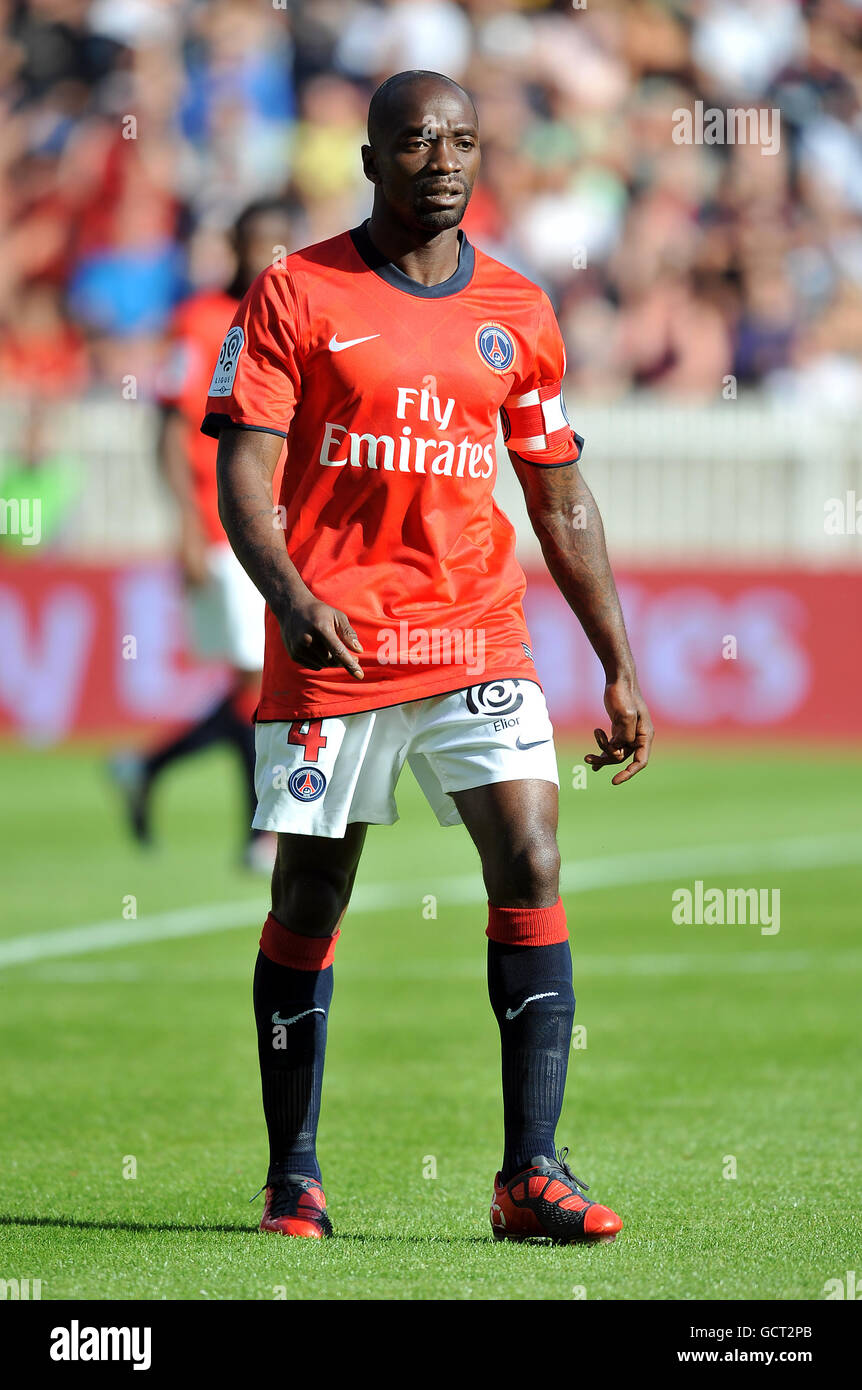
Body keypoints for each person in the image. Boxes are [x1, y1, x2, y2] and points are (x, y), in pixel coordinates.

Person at [202, 71, 654, 1242]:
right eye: (415, 141)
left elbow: (558, 501)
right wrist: (289, 592)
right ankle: (292, 1174)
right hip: (336, 641)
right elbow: (242, 471)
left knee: (533, 856)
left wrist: (616, 660)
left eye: (460, 140)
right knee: (311, 890)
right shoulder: (297, 290)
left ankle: (530, 1173)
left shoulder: (516, 306)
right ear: (370, 160)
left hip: (473, 633)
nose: (442, 159)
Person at [111, 200, 294, 872]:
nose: (268, 258)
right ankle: (259, 833)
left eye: (280, 244)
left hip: (279, 528)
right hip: (220, 526)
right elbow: (164, 426)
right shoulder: (201, 322)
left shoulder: (299, 317)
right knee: (259, 674)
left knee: (261, 676)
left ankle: (149, 766)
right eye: (256, 245)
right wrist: (185, 521)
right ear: (237, 249)